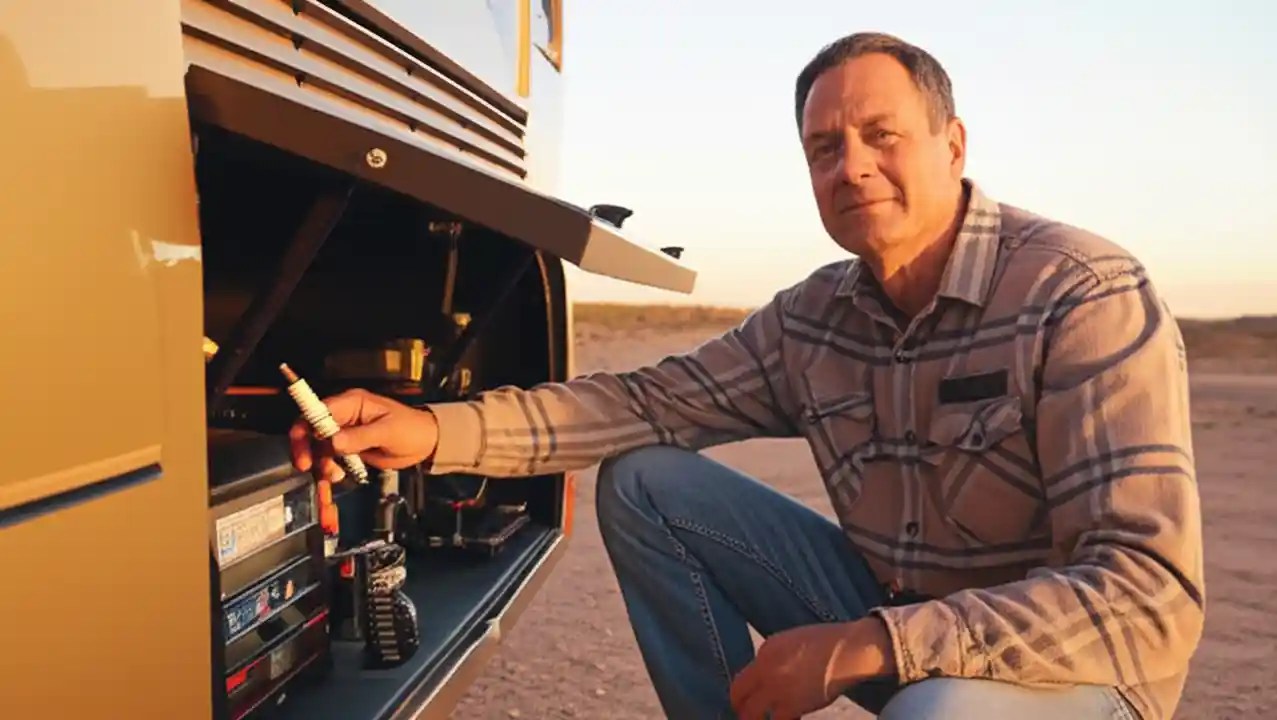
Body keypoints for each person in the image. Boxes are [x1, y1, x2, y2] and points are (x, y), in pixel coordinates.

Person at [290, 31, 1204, 720]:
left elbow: (1146, 594)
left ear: (953, 145)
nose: (852, 168)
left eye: (882, 135)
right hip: (901, 616)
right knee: (647, 479)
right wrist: (436, 429)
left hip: (1074, 669)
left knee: (938, 708)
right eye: (823, 148)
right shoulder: (814, 319)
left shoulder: (1076, 293)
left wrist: (868, 646)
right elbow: (640, 405)